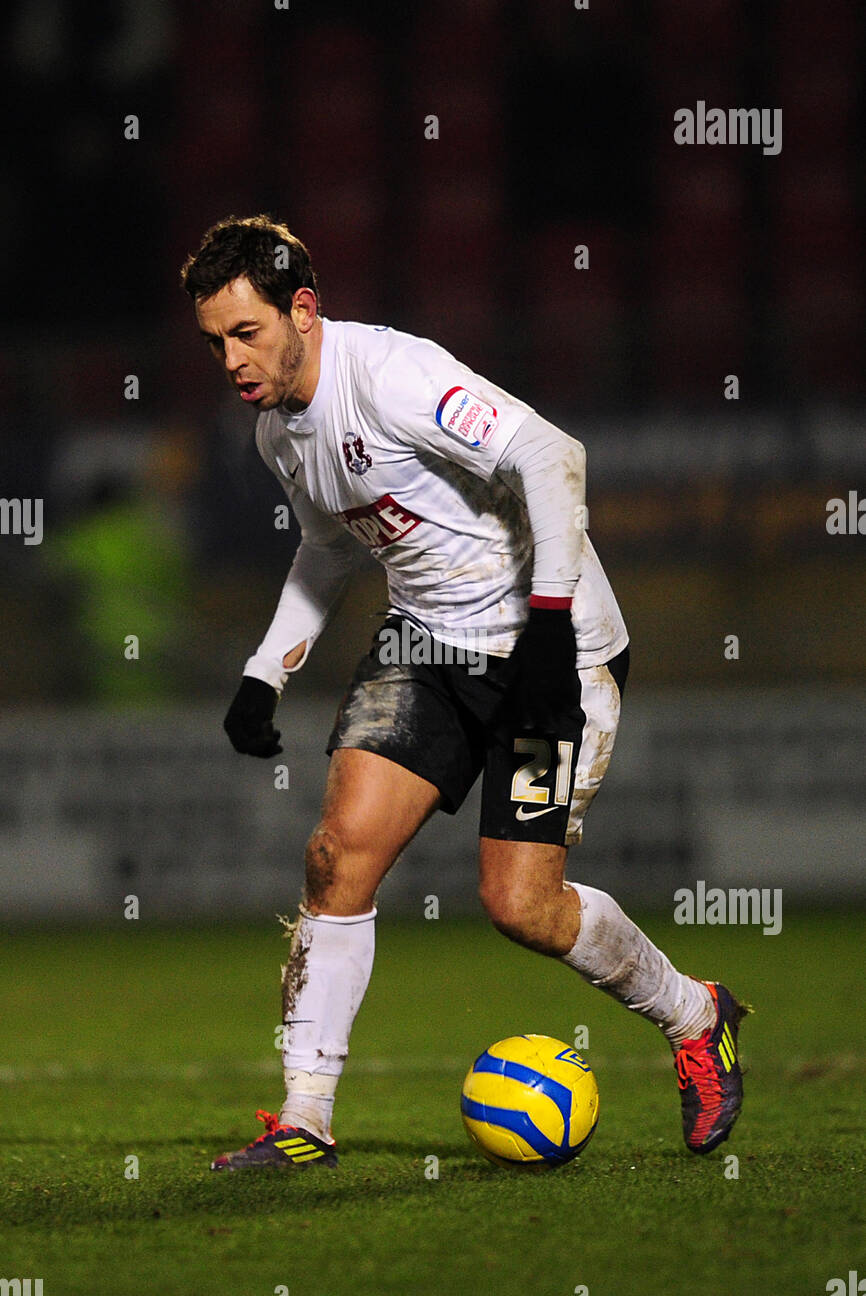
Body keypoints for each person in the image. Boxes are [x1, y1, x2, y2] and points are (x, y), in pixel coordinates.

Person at [180, 215, 749, 1172]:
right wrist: (264, 671)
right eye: (214, 343)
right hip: (423, 651)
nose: (232, 359)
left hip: (546, 658)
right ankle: (305, 1117)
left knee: (521, 906)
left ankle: (697, 1015)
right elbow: (327, 549)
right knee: (336, 857)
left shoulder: (393, 375)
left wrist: (555, 620)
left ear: (304, 311)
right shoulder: (279, 429)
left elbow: (552, 455)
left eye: (247, 333)